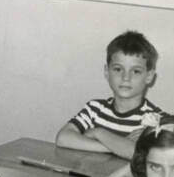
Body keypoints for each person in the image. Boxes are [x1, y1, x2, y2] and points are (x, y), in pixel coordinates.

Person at [56, 30, 166, 160]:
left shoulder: (156, 120)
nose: (126, 77)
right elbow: (63, 138)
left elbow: (139, 154)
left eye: (136, 71)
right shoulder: (95, 109)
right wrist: (116, 147)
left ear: (149, 76)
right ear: (107, 72)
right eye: (118, 69)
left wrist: (98, 133)